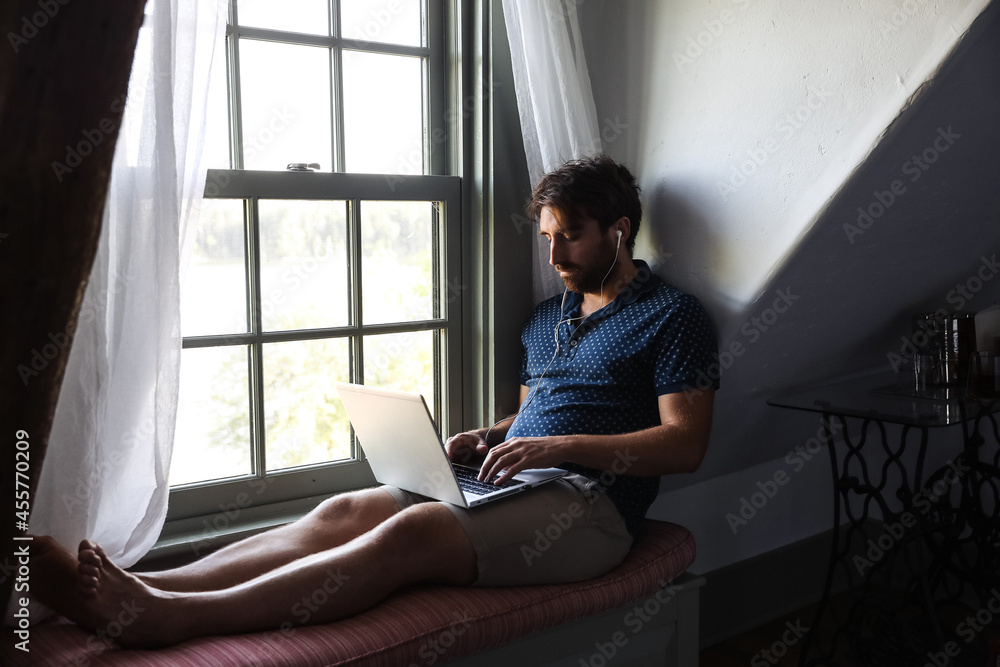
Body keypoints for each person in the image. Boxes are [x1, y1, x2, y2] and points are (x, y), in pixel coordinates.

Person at [32, 155, 718, 648]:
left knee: (409, 533)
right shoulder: (548, 318)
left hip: (591, 507)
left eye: (570, 235)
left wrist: (553, 446)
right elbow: (535, 413)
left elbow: (683, 444)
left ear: (619, 230)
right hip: (508, 479)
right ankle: (155, 585)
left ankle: (175, 620)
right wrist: (484, 434)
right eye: (547, 238)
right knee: (344, 509)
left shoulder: (673, 317)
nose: (555, 254)